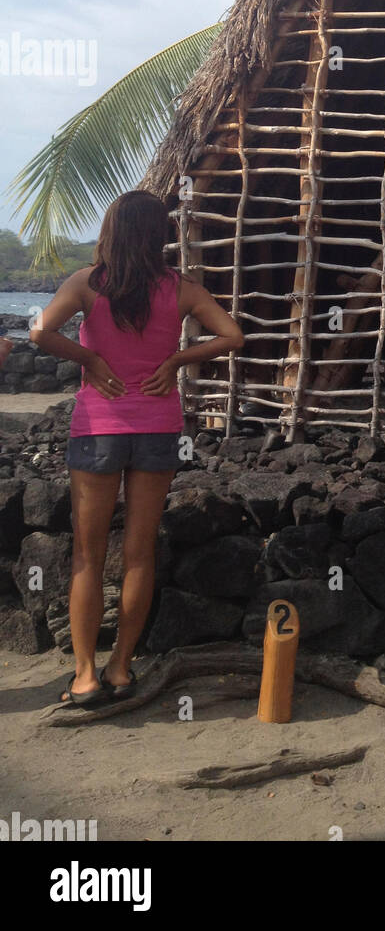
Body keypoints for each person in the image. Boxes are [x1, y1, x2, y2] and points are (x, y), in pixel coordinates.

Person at [30, 190, 243, 706]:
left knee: (87, 553)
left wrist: (90, 359)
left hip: (99, 427)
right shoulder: (182, 288)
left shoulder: (87, 283)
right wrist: (174, 363)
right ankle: (122, 669)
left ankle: (84, 677)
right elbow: (233, 336)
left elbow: (39, 333)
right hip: (157, 425)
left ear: (112, 230)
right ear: (160, 234)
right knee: (139, 553)